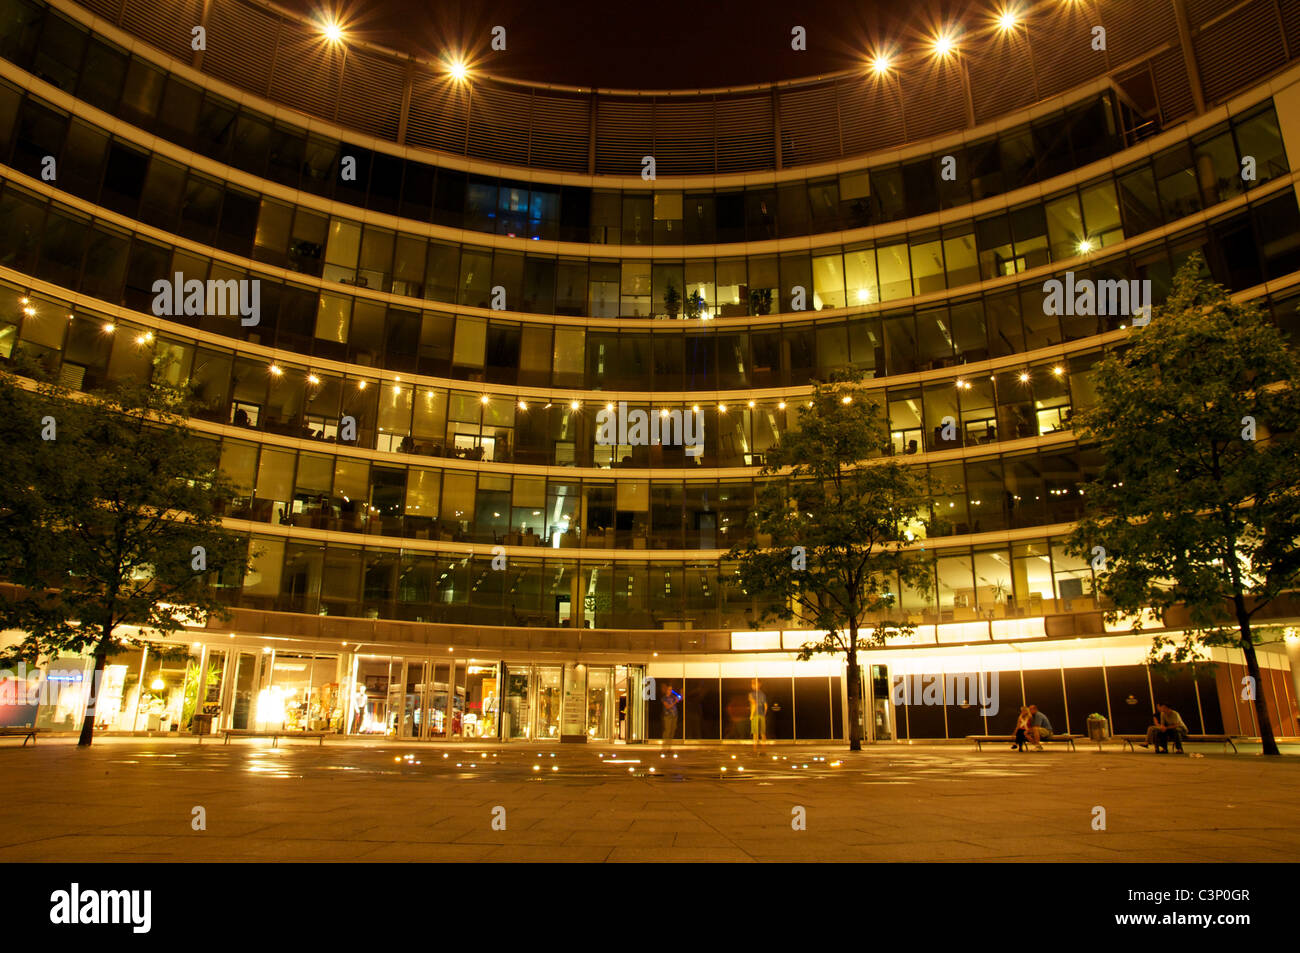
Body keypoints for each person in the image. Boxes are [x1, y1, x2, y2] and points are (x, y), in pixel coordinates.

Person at [748, 678, 768, 750]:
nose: (752, 685)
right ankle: (764, 749)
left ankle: (755, 750)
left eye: (753, 684)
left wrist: (751, 715)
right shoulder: (763, 694)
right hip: (762, 715)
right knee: (763, 733)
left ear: (756, 685)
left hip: (755, 715)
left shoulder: (751, 694)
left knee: (755, 733)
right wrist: (764, 715)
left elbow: (754, 704)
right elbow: (766, 707)